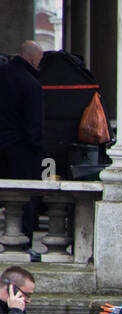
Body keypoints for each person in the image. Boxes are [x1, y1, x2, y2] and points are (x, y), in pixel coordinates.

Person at [0, 42, 44, 244]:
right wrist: (36, 149)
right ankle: (22, 240)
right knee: (23, 196)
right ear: (33, 59)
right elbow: (34, 123)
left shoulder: (3, 74)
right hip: (20, 149)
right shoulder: (31, 83)